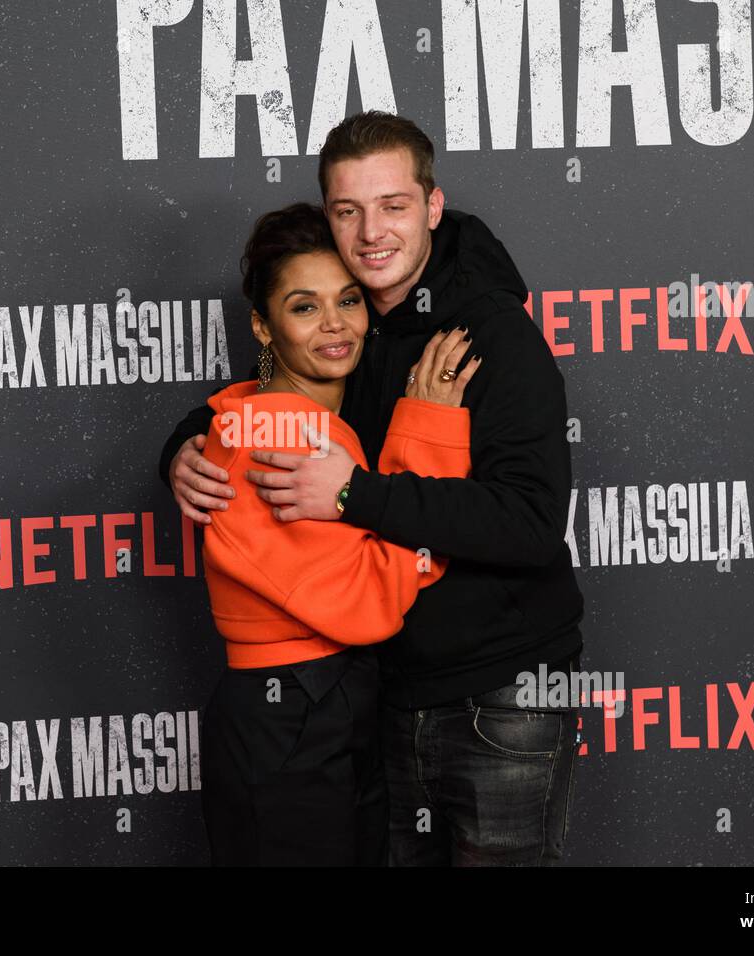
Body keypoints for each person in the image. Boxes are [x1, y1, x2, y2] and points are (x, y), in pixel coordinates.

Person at [161, 112, 586, 866]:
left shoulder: (492, 338)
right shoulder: (355, 327)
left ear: (431, 207)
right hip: (380, 698)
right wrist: (185, 442)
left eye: (392, 206)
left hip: (499, 698)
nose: (370, 233)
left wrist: (356, 495)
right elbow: (276, 394)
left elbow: (527, 524)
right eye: (347, 210)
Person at [198, 201, 479, 866]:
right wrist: (429, 430)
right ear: (264, 327)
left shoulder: (303, 423)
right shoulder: (275, 433)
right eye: (303, 306)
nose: (335, 325)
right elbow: (371, 597)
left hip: (329, 703)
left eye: (348, 300)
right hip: (290, 714)